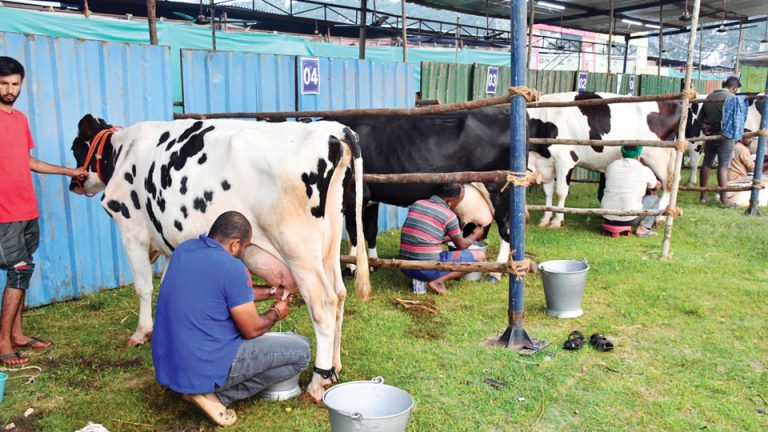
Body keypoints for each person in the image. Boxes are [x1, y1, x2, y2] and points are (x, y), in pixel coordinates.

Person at [152, 211, 309, 427]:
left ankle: (199, 390)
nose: (243, 252)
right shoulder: (232, 267)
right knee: (301, 350)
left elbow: (231, 291)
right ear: (235, 244)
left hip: (171, 365)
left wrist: (273, 291)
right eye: (245, 247)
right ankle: (216, 397)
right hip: (206, 363)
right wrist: (276, 312)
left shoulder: (184, 250)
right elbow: (252, 329)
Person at [0, 56, 86, 366]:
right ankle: (3, 343)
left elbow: (27, 161)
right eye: (4, 84)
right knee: (18, 271)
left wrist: (69, 172)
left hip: (27, 208)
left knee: (23, 271)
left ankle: (18, 334)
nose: (10, 89)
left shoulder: (19, 119)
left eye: (15, 84)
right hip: (4, 214)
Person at [399, 184, 486, 295]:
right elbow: (462, 245)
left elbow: (423, 236)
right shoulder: (449, 215)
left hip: (405, 267)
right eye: (460, 200)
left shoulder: (417, 204)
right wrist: (475, 234)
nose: (459, 204)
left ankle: (423, 279)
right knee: (480, 256)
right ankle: (438, 281)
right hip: (427, 269)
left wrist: (448, 237)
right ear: (450, 201)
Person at [698, 76, 742, 206]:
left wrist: (706, 128)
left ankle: (703, 197)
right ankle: (724, 199)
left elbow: (700, 119)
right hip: (725, 137)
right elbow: (735, 120)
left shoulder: (709, 96)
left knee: (706, 164)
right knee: (723, 167)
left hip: (710, 135)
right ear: (734, 88)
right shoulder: (732, 98)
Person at [600, 146, 661, 237]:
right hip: (629, 218)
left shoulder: (611, 166)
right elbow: (655, 186)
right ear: (638, 157)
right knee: (654, 199)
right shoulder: (644, 169)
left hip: (606, 215)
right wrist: (658, 183)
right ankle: (644, 228)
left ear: (622, 154)